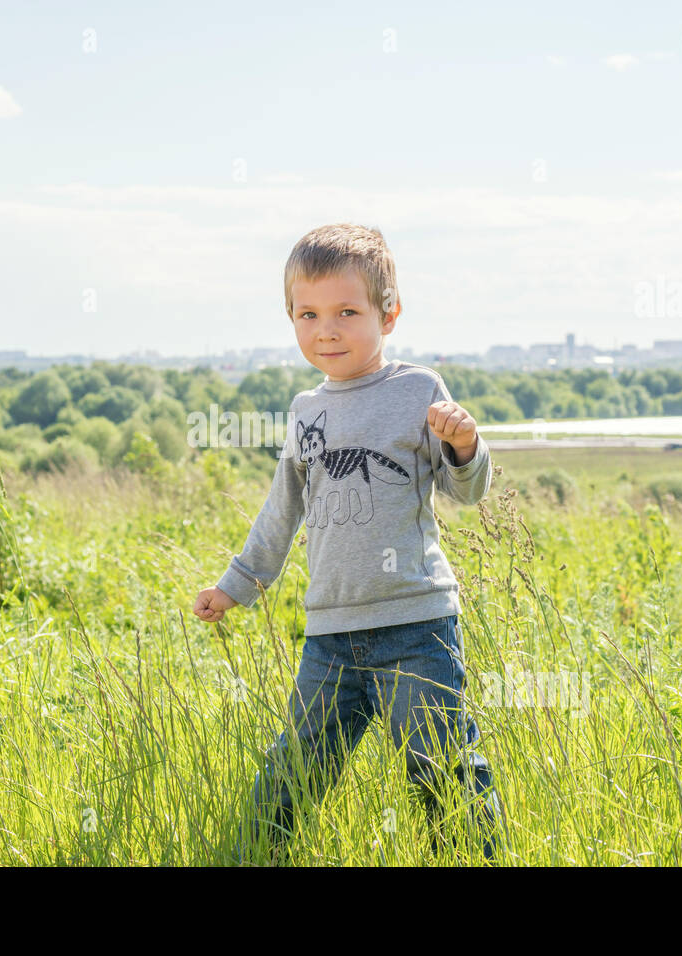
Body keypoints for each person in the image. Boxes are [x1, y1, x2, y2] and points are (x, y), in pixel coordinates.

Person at [192, 222, 506, 865]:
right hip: (329, 634)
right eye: (307, 314)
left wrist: (466, 445)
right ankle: (251, 857)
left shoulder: (417, 390)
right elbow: (283, 508)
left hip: (414, 624)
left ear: (388, 314)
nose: (326, 330)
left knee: (441, 770)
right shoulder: (307, 409)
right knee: (294, 773)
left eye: (346, 312)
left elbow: (464, 491)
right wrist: (236, 585)